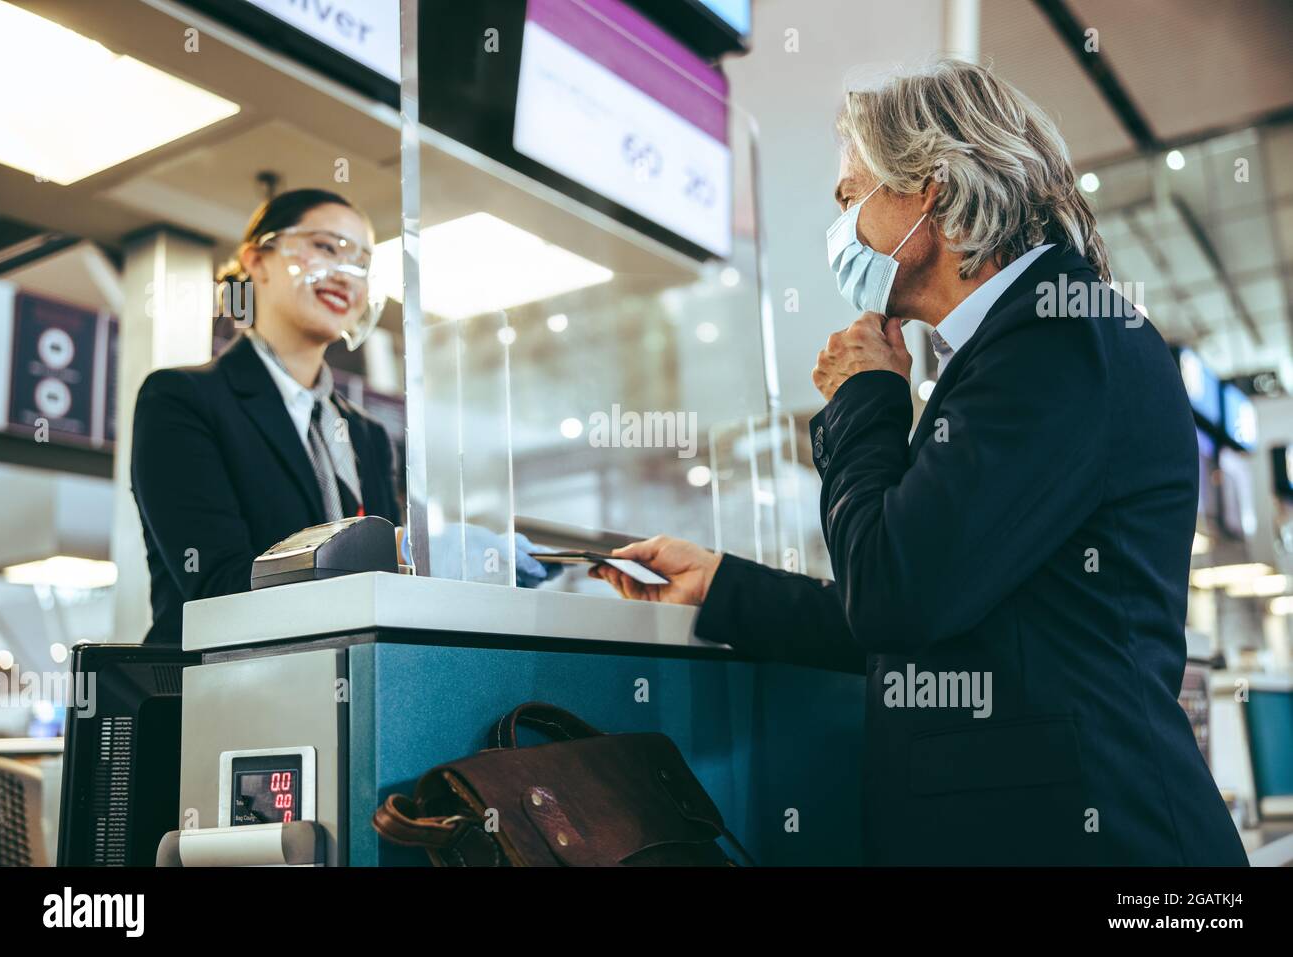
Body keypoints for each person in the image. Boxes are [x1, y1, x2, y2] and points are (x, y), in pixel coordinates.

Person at [591, 60, 1248, 866]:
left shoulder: (1055, 339)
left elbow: (894, 595)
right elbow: (926, 614)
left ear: (931, 187)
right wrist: (722, 584)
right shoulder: (1015, 346)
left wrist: (868, 395)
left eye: (850, 196)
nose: (843, 226)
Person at [131, 189, 550, 646]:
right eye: (326, 247)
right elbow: (218, 587)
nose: (346, 274)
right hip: (218, 689)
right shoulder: (182, 399)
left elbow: (392, 597)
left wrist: (443, 572)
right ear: (256, 260)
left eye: (363, 264)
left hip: (350, 682)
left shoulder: (366, 435)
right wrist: (395, 549)